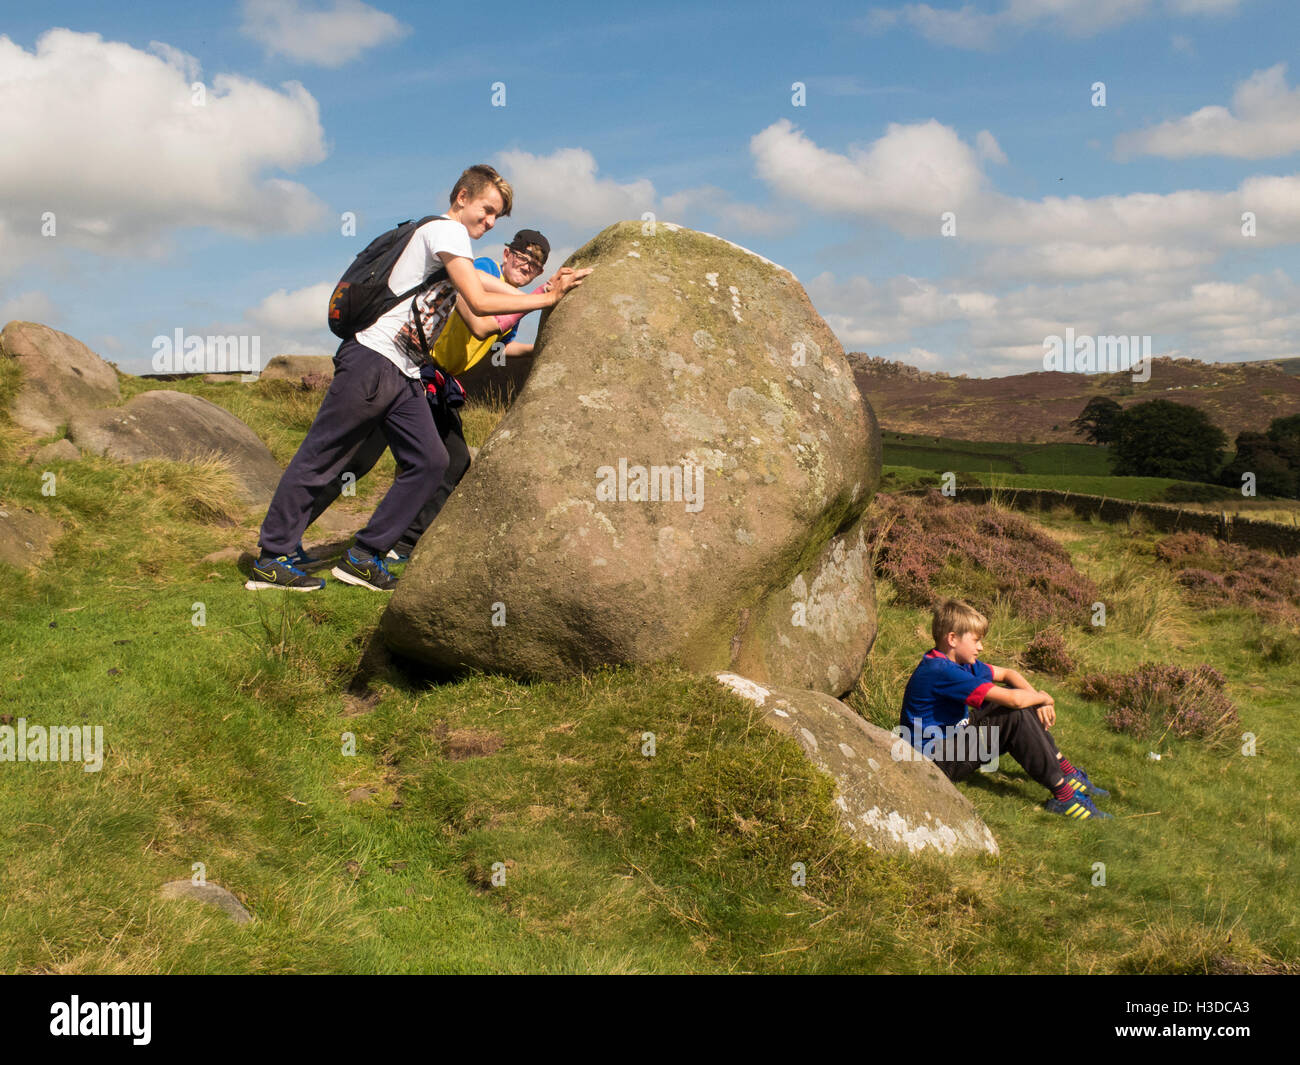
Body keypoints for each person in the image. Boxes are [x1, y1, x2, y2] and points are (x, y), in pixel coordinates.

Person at [244, 165, 587, 592]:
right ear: (462, 197)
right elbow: (480, 303)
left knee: (432, 460)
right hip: (373, 356)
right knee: (325, 456)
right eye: (487, 209)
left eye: (497, 216)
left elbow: (487, 290)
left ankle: (363, 557)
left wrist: (546, 291)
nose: (490, 221)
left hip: (404, 370)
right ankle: (273, 556)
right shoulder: (445, 232)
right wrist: (550, 297)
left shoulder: (454, 248)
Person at [294, 230, 553, 565]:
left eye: (535, 264)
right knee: (356, 460)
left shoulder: (513, 304)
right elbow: (481, 324)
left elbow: (497, 345)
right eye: (522, 256)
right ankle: (289, 540)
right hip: (413, 369)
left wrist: (538, 348)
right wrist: (541, 297)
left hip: (437, 385)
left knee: (452, 459)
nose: (526, 265)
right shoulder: (484, 270)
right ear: (506, 254)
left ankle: (401, 542)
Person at [898, 598, 1112, 820]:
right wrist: (1042, 697)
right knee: (1013, 713)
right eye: (976, 640)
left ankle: (1065, 771)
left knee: (1017, 699)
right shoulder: (940, 671)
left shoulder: (958, 663)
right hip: (932, 761)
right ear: (952, 639)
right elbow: (1014, 701)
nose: (981, 647)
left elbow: (1010, 674)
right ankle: (1065, 797)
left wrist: (1038, 702)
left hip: (951, 742)